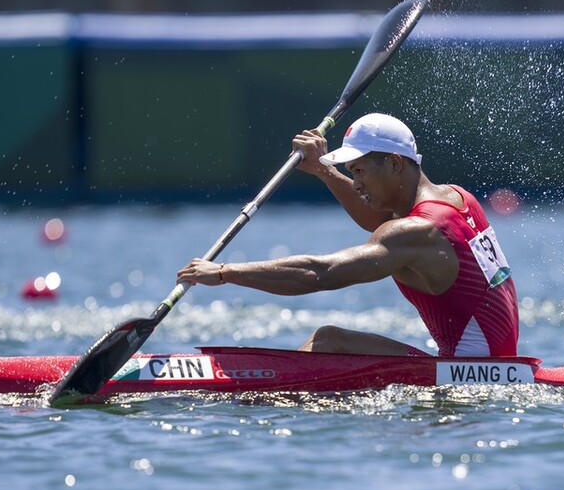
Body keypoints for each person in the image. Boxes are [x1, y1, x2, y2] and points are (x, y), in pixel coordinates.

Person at [176, 113, 520, 357]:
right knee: (328, 340)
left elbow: (320, 274)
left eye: (359, 171)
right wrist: (323, 170)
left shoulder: (417, 231)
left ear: (395, 164)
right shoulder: (457, 197)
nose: (356, 183)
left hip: (469, 370)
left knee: (328, 342)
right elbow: (378, 218)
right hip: (492, 360)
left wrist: (224, 273)